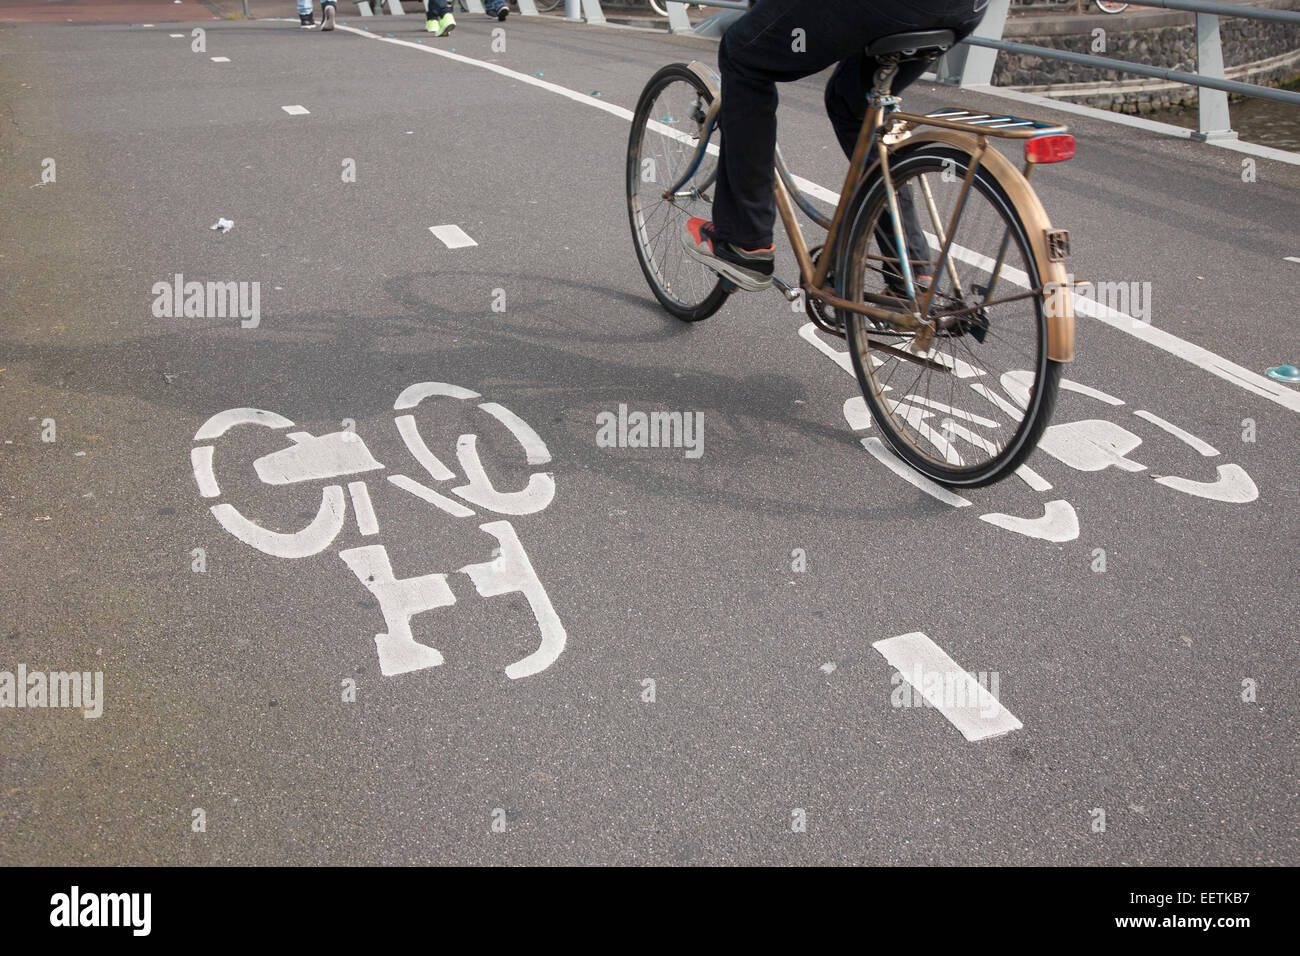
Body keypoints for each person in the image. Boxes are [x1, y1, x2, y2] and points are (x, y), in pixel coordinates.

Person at [682, 0, 988, 292]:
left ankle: (744, 240)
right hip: (966, 9)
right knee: (853, 101)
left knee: (743, 54)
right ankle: (907, 269)